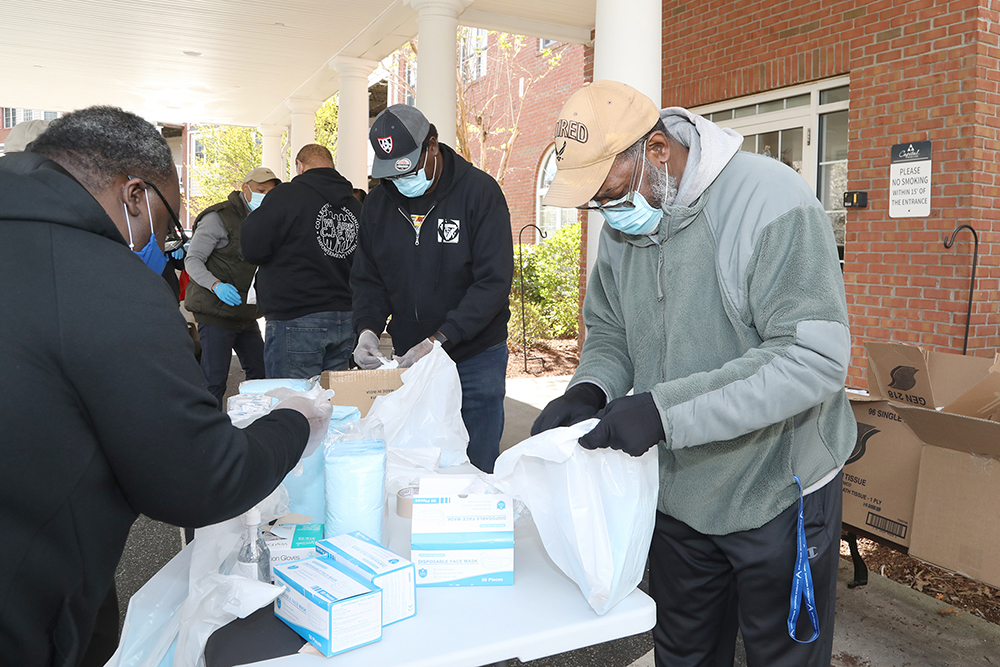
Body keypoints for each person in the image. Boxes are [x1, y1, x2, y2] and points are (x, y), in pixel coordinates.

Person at [531, 81, 856, 667]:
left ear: (657, 151)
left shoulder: (772, 202)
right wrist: (591, 387)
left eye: (611, 192)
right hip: (677, 495)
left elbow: (812, 359)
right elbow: (611, 332)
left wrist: (663, 411)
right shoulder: (626, 223)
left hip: (777, 493)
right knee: (683, 655)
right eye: (594, 203)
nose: (607, 213)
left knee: (784, 658)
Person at [0, 106, 330, 667]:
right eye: (168, 221)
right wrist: (296, 419)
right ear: (135, 195)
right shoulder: (107, 281)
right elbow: (199, 480)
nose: (164, 240)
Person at [351, 104, 514, 473]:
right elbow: (368, 279)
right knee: (418, 462)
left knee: (475, 464)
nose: (401, 182)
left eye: (407, 170)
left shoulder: (479, 193)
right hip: (411, 357)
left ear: (433, 146)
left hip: (475, 357)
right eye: (392, 175)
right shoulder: (378, 205)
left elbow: (493, 282)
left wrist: (439, 339)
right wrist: (366, 329)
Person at [241, 144, 361, 378]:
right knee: (332, 405)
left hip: (296, 315)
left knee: (292, 404)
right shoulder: (355, 207)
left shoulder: (287, 196)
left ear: (300, 166)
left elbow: (252, 248)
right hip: (345, 316)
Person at [185, 167, 280, 409]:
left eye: (269, 192)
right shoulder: (218, 218)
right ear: (244, 187)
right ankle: (209, 435)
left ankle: (253, 425)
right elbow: (192, 260)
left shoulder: (265, 219)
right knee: (214, 380)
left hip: (246, 313)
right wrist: (216, 285)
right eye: (260, 190)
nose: (264, 196)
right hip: (215, 313)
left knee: (260, 375)